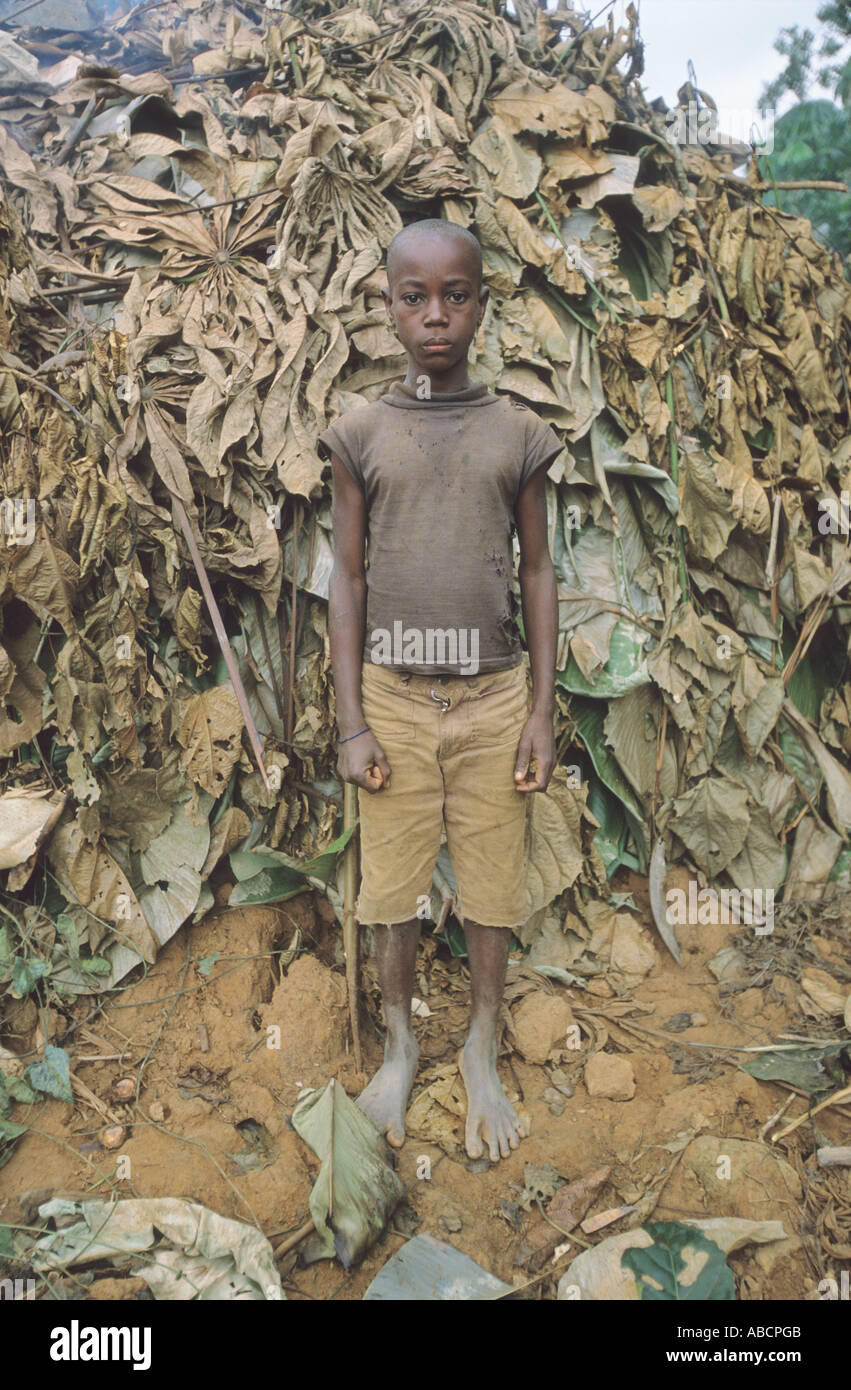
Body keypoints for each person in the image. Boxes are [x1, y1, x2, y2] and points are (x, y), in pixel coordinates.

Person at [317, 218, 562, 1163]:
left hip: (494, 700)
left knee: (493, 886)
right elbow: (347, 579)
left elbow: (536, 571)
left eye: (454, 296)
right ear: (387, 307)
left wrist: (539, 710)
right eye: (413, 297)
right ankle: (400, 1044)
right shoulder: (360, 434)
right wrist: (351, 722)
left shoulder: (518, 434)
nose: (434, 316)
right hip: (392, 699)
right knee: (391, 889)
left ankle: (480, 1048)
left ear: (481, 306)